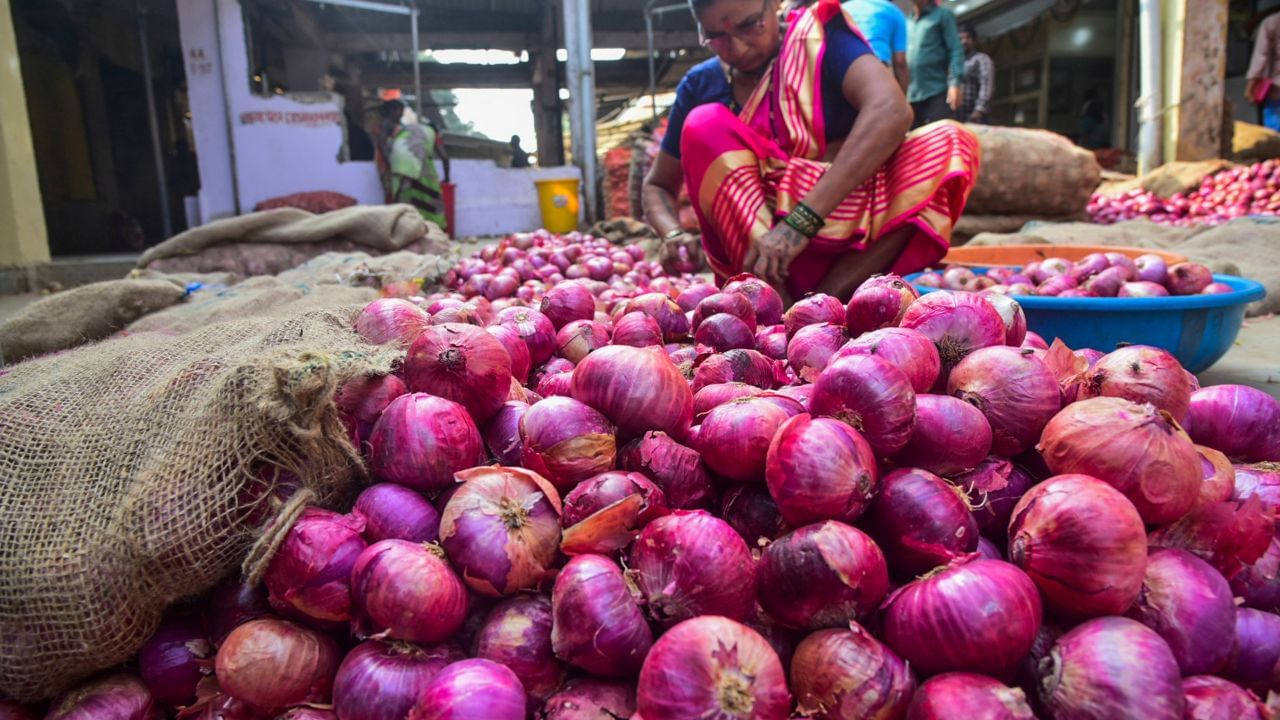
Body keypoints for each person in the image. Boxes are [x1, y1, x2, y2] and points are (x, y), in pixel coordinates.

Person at [641, 0, 979, 302]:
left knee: (949, 141)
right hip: (758, 257)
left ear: (774, 4)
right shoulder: (700, 85)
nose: (738, 47)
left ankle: (823, 304)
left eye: (749, 25)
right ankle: (774, 308)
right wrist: (673, 233)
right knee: (704, 124)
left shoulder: (819, 40)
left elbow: (891, 109)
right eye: (717, 37)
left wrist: (798, 225)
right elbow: (657, 185)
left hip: (849, 243)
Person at [376, 100, 448, 227]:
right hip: (392, 164)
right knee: (398, 195)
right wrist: (390, 164)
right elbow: (382, 145)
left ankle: (405, 223)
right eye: (398, 110)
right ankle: (398, 224)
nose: (401, 114)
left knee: (403, 194)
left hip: (400, 165)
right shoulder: (387, 124)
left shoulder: (401, 126)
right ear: (391, 111)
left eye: (402, 111)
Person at [906, 0, 964, 128]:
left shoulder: (942, 15)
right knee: (913, 139)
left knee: (940, 135)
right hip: (910, 96)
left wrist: (955, 83)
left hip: (936, 91)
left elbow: (955, 50)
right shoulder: (907, 22)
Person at [842, 0, 910, 91]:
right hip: (876, 69)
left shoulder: (843, 9)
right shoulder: (894, 11)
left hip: (843, 70)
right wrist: (901, 97)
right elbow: (900, 62)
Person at [1247, 12, 1280, 131]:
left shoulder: (1271, 22)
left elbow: (1261, 57)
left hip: (1276, 89)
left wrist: (1251, 84)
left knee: (1273, 133)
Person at [957, 23, 993, 124]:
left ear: (975, 40)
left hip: (976, 118)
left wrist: (979, 110)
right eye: (960, 39)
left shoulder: (981, 59)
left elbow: (986, 86)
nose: (964, 41)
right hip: (956, 119)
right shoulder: (954, 63)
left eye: (968, 38)